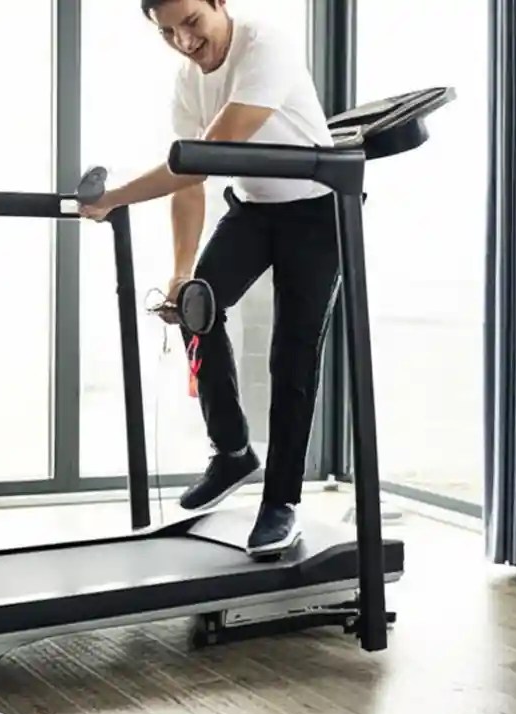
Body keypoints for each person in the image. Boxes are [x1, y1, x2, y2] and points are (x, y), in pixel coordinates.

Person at [78, 0, 339, 555]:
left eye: (192, 22)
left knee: (291, 357)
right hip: (255, 208)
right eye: (168, 32)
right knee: (196, 305)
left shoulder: (265, 45)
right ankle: (233, 452)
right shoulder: (186, 82)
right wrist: (179, 273)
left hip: (316, 212)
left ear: (221, 2)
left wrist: (115, 198)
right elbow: (188, 185)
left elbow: (204, 156)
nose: (184, 41)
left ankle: (280, 502)